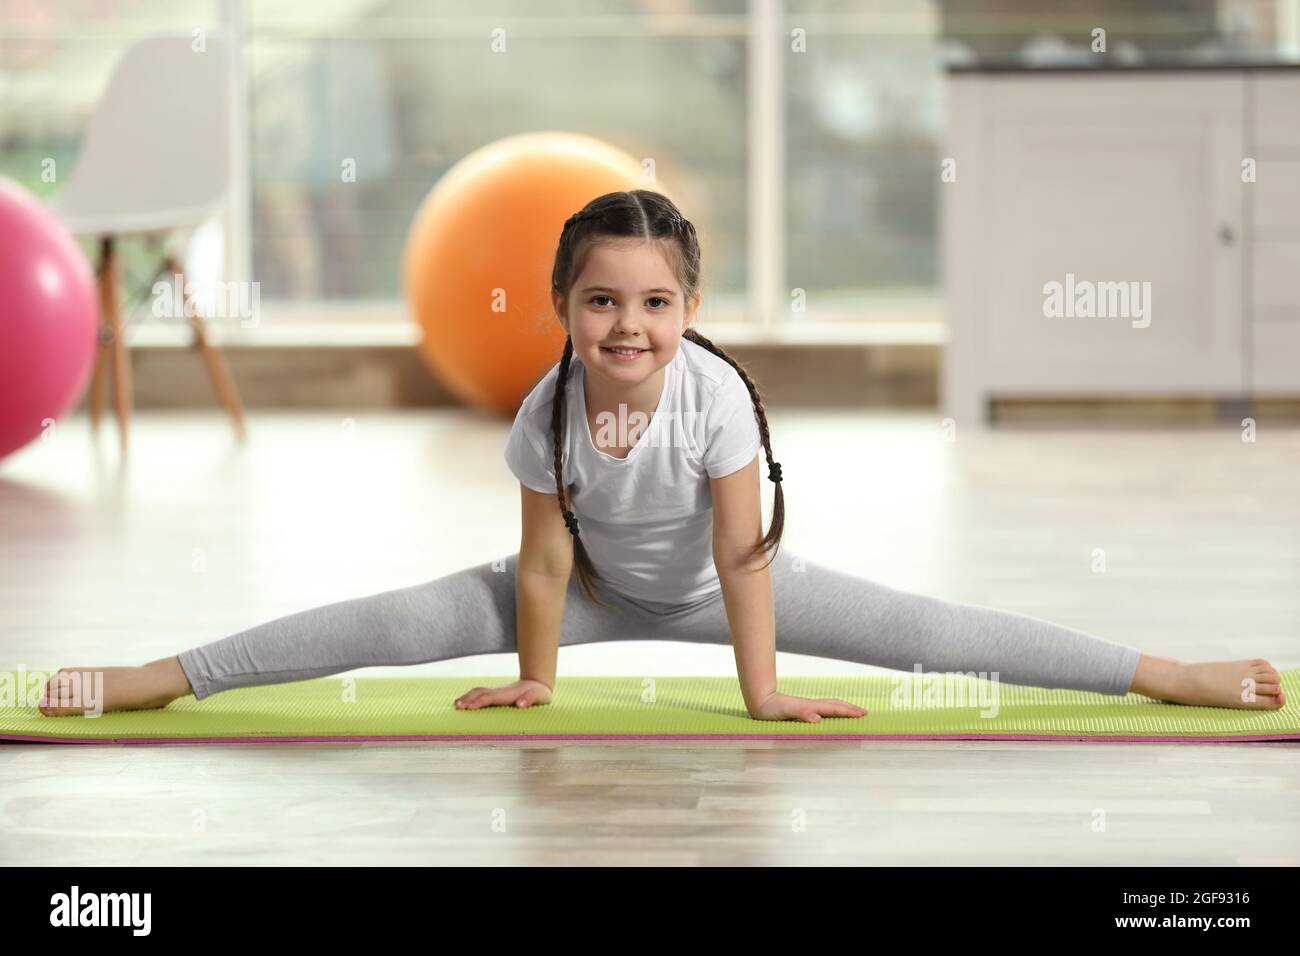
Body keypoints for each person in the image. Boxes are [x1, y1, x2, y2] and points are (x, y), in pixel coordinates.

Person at [38, 190, 1287, 721]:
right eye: (598, 301)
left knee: (938, 628)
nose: (625, 325)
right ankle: (160, 675)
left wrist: (761, 690)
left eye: (651, 302)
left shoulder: (717, 401)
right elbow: (538, 564)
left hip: (719, 584)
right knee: (388, 621)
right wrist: (537, 673)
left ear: (688, 308)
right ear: (562, 307)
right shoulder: (546, 409)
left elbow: (744, 557)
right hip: (585, 592)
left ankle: (1163, 671)